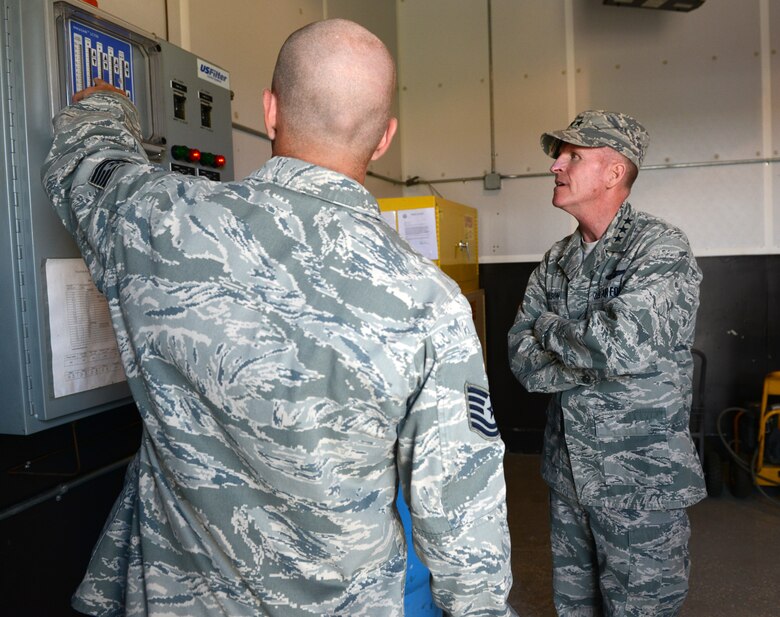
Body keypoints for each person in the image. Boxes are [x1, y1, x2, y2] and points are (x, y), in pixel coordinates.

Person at [43, 18, 514, 617]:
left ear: (269, 111)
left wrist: (105, 106)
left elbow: (89, 168)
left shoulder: (161, 222)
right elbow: (464, 529)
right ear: (384, 138)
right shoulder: (432, 304)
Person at [507, 110, 706, 616]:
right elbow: (521, 358)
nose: (556, 165)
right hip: (571, 475)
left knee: (641, 608)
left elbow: (619, 344)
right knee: (575, 607)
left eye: (573, 155)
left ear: (615, 172)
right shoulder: (556, 260)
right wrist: (592, 352)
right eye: (559, 155)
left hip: (639, 477)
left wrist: (551, 330)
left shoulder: (659, 248)